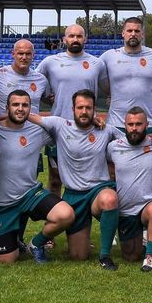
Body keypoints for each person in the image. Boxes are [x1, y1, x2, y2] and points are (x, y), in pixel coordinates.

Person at [0, 90, 74, 265]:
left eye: (25, 105)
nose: (20, 108)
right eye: (15, 104)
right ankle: (1, 241)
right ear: (7, 107)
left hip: (30, 195)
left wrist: (93, 122)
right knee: (7, 260)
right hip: (2, 203)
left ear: (30, 108)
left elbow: (67, 129)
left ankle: (36, 244)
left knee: (66, 214)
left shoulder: (38, 130)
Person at [37, 89, 120, 269]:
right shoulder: (60, 125)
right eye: (80, 107)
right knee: (78, 256)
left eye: (88, 108)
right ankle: (39, 242)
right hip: (74, 195)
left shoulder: (106, 130)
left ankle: (105, 255)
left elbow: (132, 138)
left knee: (110, 199)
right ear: (72, 109)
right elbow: (28, 116)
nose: (84, 111)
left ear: (94, 110)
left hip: (98, 191)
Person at [36, 24, 105, 196]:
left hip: (88, 129)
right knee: (55, 178)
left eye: (79, 36)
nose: (75, 39)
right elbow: (34, 84)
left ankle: (82, 209)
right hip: (58, 129)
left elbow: (107, 88)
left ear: (85, 39)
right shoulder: (50, 62)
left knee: (87, 178)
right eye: (71, 36)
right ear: (64, 39)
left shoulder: (97, 63)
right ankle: (55, 211)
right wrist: (46, 97)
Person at [107, 108, 152, 272]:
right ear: (124, 125)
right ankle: (143, 237)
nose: (134, 128)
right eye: (130, 124)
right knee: (131, 256)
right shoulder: (113, 147)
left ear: (147, 125)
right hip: (126, 210)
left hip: (148, 204)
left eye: (138, 124)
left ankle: (150, 257)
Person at [101, 17, 152, 128]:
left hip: (147, 124)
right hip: (115, 124)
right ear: (123, 33)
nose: (133, 34)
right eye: (129, 31)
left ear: (142, 34)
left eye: (137, 31)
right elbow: (94, 78)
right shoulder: (108, 56)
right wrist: (109, 92)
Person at [0, 39, 50, 115]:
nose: (24, 57)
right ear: (13, 54)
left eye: (28, 54)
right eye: (20, 53)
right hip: (3, 123)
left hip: (32, 123)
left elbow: (49, 100)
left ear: (33, 55)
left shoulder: (41, 79)